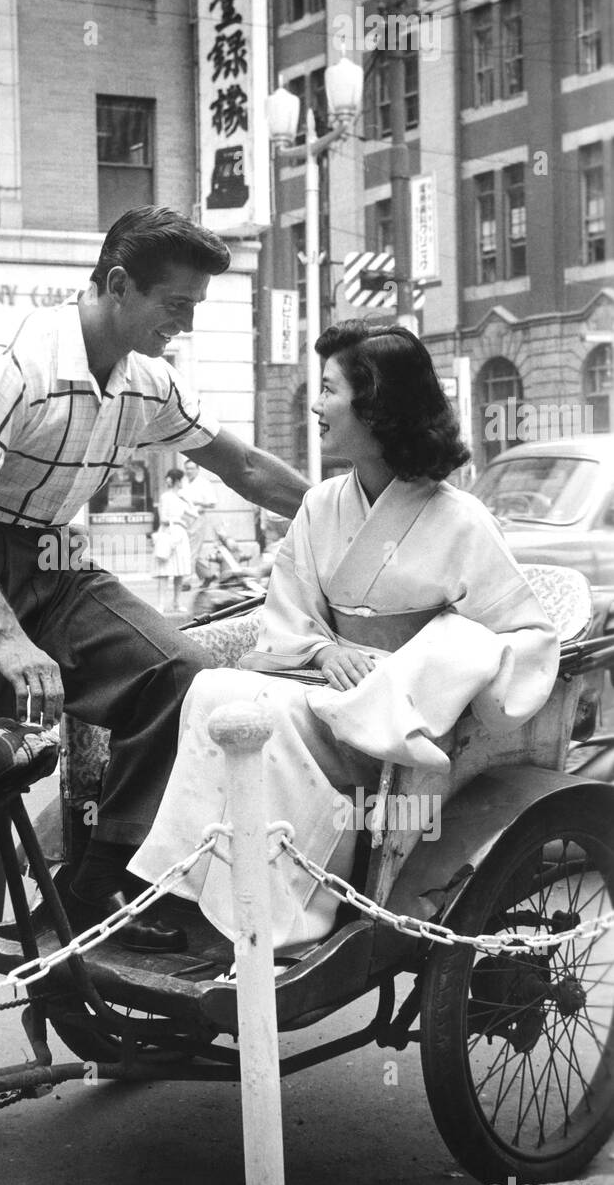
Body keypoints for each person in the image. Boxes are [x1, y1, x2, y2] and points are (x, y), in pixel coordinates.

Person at [0, 206, 308, 951]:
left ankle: (97, 885)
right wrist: (5, 636)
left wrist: (347, 513)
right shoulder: (12, 358)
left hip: (52, 559)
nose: (183, 324)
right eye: (175, 306)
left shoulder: (148, 382)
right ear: (119, 283)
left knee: (178, 673)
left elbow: (244, 467)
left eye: (194, 308)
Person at [129, 322, 559, 952]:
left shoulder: (461, 519)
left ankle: (282, 919)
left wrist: (431, 662)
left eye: (329, 389)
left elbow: (525, 635)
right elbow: (287, 613)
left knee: (261, 713)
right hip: (324, 692)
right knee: (214, 689)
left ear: (377, 405)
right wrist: (325, 648)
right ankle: (199, 893)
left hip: (402, 726)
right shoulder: (321, 505)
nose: (315, 404)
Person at [153, 468, 197, 612]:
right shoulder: (166, 497)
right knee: (164, 571)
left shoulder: (181, 497)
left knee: (180, 571)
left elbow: (194, 515)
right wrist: (178, 521)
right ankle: (160, 604)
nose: (183, 482)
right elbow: (163, 519)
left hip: (180, 536)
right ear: (177, 481)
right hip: (168, 534)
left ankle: (177, 602)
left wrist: (188, 501)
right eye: (182, 479)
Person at [178, 458, 217, 579]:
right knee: (188, 548)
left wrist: (196, 502)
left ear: (197, 469)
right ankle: (207, 575)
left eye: (191, 468)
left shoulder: (204, 483)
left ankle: (186, 580)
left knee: (191, 549)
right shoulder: (182, 482)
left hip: (198, 518)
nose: (189, 471)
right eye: (187, 469)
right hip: (184, 518)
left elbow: (212, 503)